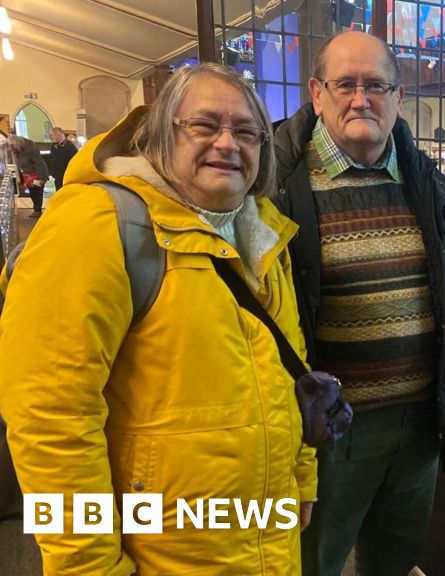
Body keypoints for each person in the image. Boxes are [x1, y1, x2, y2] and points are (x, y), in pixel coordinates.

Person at [0, 63, 316, 574]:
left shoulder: (261, 233)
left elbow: (290, 373)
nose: (227, 143)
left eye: (246, 132)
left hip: (263, 544)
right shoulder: (94, 224)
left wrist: (302, 478)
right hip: (160, 557)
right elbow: (49, 421)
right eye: (204, 125)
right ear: (160, 133)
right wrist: (88, 568)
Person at [273, 31, 445, 576]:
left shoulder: (425, 180)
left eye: (375, 85)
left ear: (399, 96)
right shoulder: (280, 185)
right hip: (324, 428)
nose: (360, 99)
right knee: (311, 560)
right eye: (345, 84)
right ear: (317, 94)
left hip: (416, 423)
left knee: (395, 557)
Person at [11, 133, 48, 217]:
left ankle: (38, 210)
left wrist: (41, 177)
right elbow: (19, 165)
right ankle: (37, 210)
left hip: (36, 173)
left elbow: (38, 162)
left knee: (37, 192)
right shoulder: (17, 151)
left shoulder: (30, 147)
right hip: (27, 175)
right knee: (32, 193)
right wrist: (21, 180)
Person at [47, 126, 79, 191]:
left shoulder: (70, 147)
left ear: (57, 134)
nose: (52, 137)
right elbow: (52, 159)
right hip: (57, 176)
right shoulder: (54, 146)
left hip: (66, 176)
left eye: (52, 135)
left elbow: (74, 161)